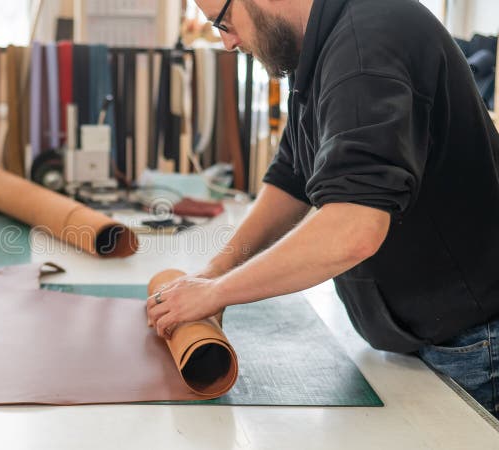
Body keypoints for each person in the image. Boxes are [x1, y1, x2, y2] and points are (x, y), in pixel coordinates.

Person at [146, 0, 499, 418]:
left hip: (474, 346)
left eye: (222, 22)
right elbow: (291, 179)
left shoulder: (367, 44)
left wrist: (218, 293)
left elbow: (353, 228)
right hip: (420, 335)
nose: (227, 42)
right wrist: (214, 271)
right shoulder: (314, 49)